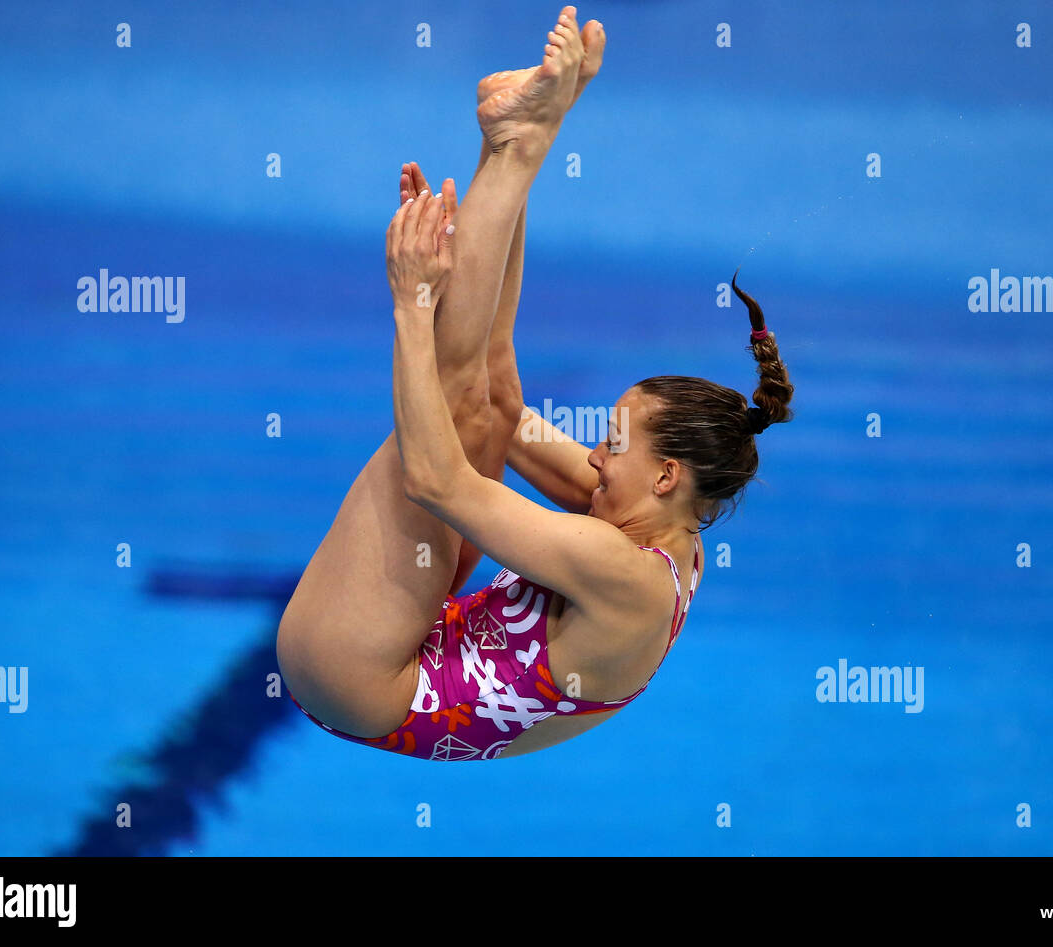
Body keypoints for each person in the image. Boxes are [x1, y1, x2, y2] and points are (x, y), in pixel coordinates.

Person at [276, 6, 793, 761]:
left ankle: (522, 143)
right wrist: (491, 207)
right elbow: (505, 401)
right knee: (481, 405)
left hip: (353, 673)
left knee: (454, 405)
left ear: (665, 473)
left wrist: (413, 300)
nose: (596, 457)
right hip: (402, 652)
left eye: (615, 443)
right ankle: (514, 144)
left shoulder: (623, 571)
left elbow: (435, 478)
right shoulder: (668, 533)